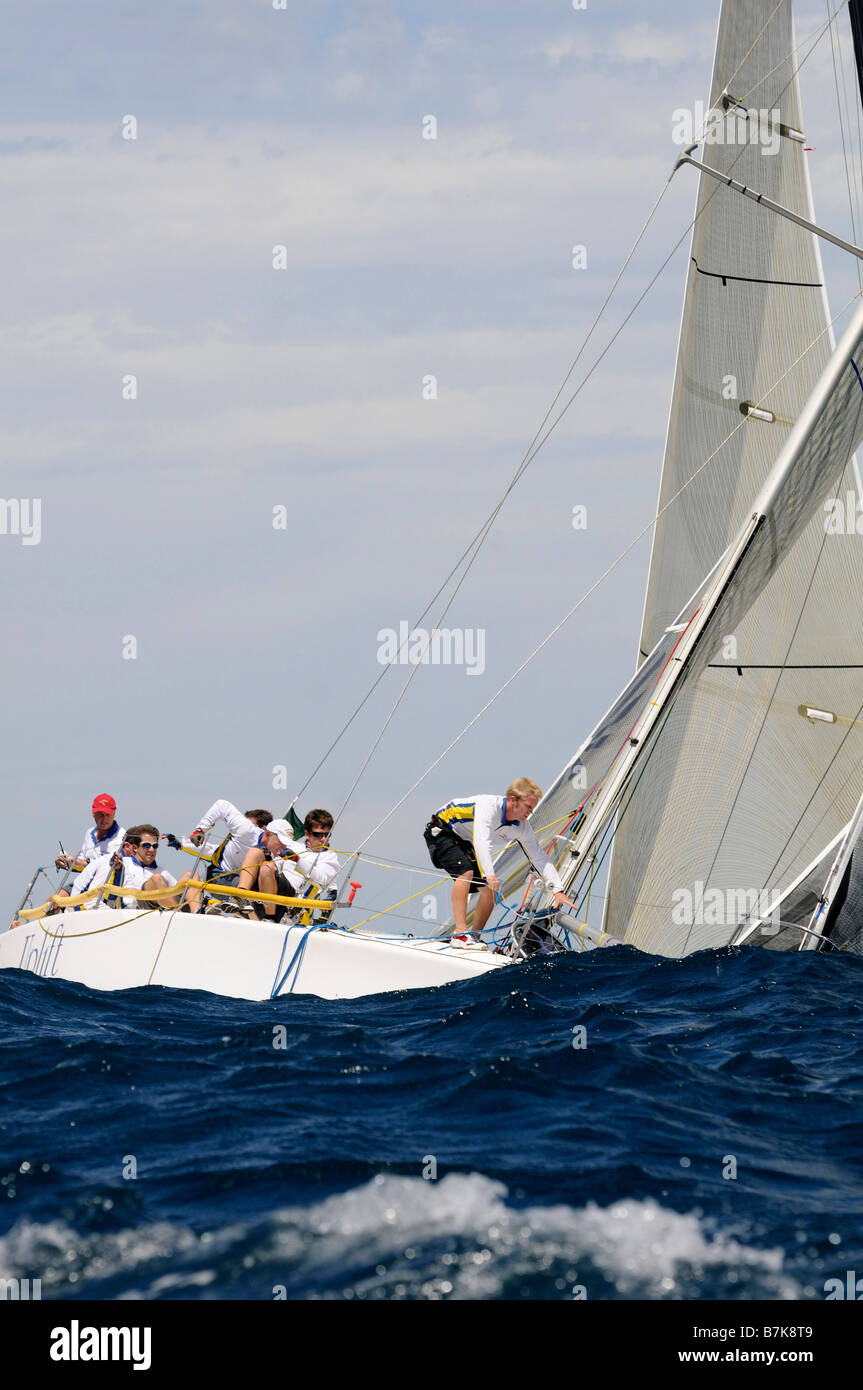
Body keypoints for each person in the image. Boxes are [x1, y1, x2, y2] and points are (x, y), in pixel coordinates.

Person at [424, 778, 575, 945]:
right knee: (466, 872)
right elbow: (482, 841)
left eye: (532, 808)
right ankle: (460, 934)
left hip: (464, 840)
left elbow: (539, 856)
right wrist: (490, 875)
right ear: (513, 800)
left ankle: (474, 937)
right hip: (442, 829)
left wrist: (558, 890)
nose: (530, 812)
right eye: (528, 807)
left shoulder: (522, 827)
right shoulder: (489, 807)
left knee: (490, 891)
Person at [238, 811, 339, 921]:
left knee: (266, 869)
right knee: (255, 852)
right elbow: (275, 863)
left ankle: (270, 918)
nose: (323, 839)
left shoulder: (329, 856)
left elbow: (322, 880)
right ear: (307, 834)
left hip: (292, 900)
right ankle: (240, 895)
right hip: (271, 890)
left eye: (327, 835)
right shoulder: (294, 846)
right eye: (318, 834)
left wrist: (297, 860)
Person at [58, 825, 181, 910]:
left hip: (149, 914)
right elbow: (89, 898)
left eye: (155, 846)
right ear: (134, 848)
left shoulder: (162, 871)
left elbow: (179, 892)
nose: (151, 849)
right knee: (59, 896)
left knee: (190, 877)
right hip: (122, 914)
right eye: (147, 845)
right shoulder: (116, 863)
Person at [55, 794, 126, 872]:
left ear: (114, 813)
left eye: (108, 814)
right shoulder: (89, 833)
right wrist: (66, 862)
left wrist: (84, 863)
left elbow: (119, 867)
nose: (104, 819)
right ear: (93, 814)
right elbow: (82, 863)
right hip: (88, 883)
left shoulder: (123, 836)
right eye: (100, 815)